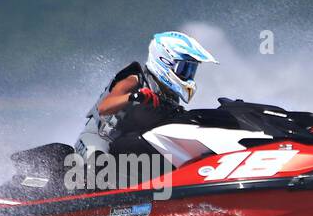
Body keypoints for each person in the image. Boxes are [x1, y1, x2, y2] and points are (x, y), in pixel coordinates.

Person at [75, 31, 218, 159]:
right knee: (99, 167)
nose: (188, 76)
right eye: (184, 69)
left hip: (128, 147)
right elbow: (104, 107)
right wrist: (134, 96)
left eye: (191, 70)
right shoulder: (134, 80)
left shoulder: (170, 98)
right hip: (100, 139)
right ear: (165, 60)